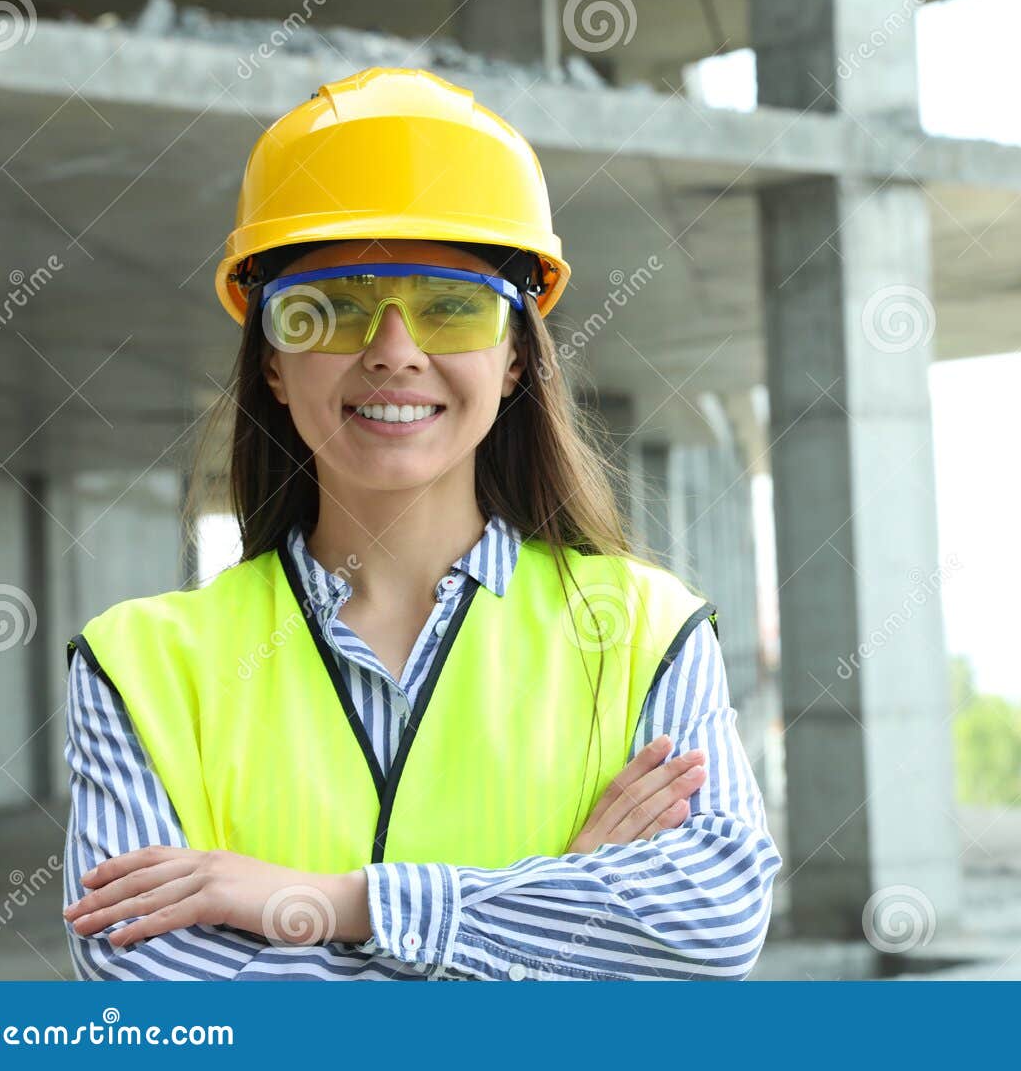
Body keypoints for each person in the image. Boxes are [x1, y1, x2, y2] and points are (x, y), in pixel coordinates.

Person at [58, 67, 782, 980]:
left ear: (515, 356)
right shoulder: (141, 667)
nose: (393, 351)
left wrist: (340, 902)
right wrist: (560, 915)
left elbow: (714, 922)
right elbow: (162, 1000)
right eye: (334, 309)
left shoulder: (643, 631)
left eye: (451, 307)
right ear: (272, 360)